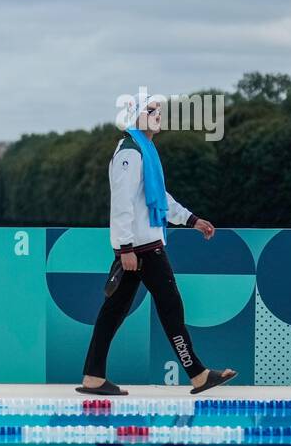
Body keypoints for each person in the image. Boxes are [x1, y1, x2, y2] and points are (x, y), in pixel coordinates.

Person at [78, 96, 236, 396]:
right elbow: (122, 204)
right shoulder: (131, 154)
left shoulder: (144, 151)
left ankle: (93, 377)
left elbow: (159, 198)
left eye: (159, 111)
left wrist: (191, 220)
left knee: (114, 311)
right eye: (150, 111)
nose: (157, 115)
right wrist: (125, 248)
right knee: (170, 307)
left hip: (141, 247)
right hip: (142, 250)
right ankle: (198, 374)